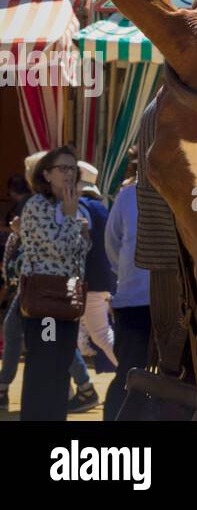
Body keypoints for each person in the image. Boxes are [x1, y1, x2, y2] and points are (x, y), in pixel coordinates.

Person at [18, 145, 91, 421]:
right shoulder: (37, 205)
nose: (70, 174)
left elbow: (82, 250)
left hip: (67, 302)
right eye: (63, 168)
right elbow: (58, 249)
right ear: (47, 174)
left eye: (74, 168)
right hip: (45, 304)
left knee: (61, 367)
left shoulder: (71, 206)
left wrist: (74, 221)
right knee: (43, 367)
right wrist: (73, 220)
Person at [102, 155, 149, 421]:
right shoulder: (127, 196)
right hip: (134, 302)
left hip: (180, 306)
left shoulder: (190, 193)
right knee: (129, 374)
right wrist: (129, 276)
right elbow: (113, 242)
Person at [74, 162, 115, 400]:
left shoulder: (80, 208)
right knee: (99, 334)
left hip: (86, 282)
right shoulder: (101, 208)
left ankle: (135, 373)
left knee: (101, 334)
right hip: (101, 280)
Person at [0, 176, 31, 414]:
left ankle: (82, 385)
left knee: (51, 338)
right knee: (13, 331)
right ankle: (2, 388)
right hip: (28, 292)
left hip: (47, 297)